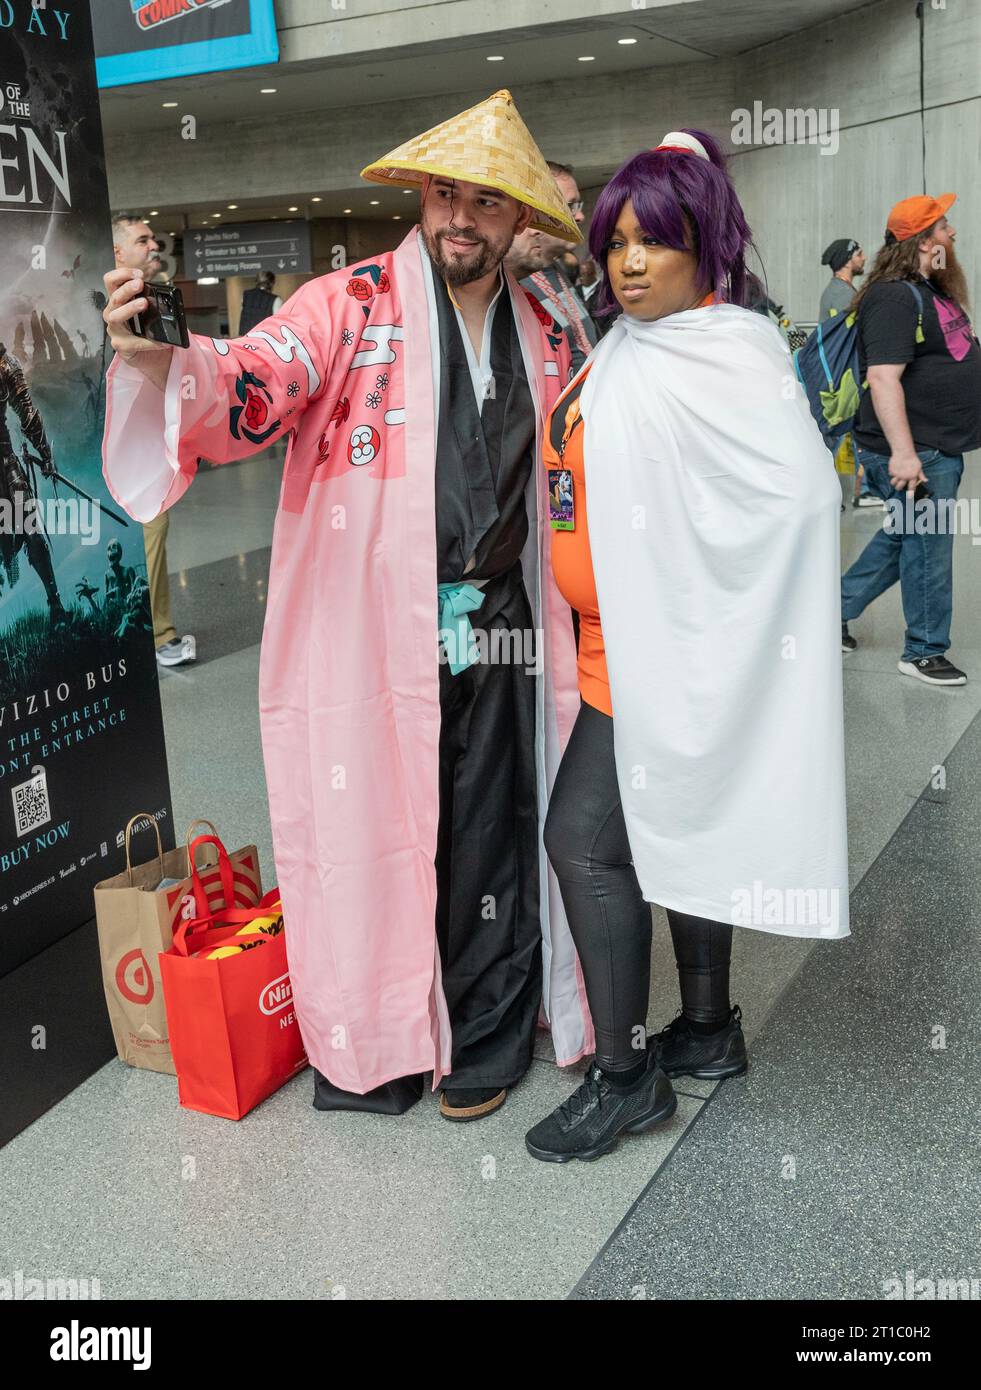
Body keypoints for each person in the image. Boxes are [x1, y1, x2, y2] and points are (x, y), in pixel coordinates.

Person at [101, 89, 589, 1123]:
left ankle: (489, 1033)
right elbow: (252, 382)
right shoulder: (348, 302)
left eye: (487, 203)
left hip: (509, 622)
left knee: (496, 829)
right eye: (445, 195)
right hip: (376, 630)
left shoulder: (550, 320)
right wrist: (163, 355)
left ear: (519, 220)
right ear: (419, 196)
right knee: (372, 831)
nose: (461, 218)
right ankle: (378, 1037)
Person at [523, 129, 849, 1164]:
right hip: (617, 651)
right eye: (614, 240)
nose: (628, 262)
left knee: (582, 842)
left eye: (654, 242)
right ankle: (706, 1030)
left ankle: (625, 1080)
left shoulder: (722, 355)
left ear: (702, 245)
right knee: (683, 837)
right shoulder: (637, 343)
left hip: (660, 662)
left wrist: (686, 596)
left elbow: (804, 498)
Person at [840, 194, 980, 685]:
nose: (952, 234)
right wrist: (903, 453)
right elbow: (882, 377)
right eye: (944, 227)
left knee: (903, 539)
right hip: (914, 451)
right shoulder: (895, 296)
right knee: (927, 547)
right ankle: (922, 651)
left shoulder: (929, 291)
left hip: (935, 446)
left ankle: (830, 613)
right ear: (924, 241)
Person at [111, 214, 196, 669]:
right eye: (141, 240)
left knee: (153, 528)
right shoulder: (97, 308)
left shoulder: (157, 299)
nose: (153, 244)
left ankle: (158, 632)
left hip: (148, 443)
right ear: (117, 253)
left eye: (153, 239)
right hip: (106, 443)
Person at [505, 161, 599, 374]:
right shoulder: (512, 281)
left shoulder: (556, 270)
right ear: (532, 213)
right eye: (570, 206)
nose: (580, 216)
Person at [0, 341, 66, 622]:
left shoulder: (5, 365)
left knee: (32, 532)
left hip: (4, 463)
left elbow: (27, 412)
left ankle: (55, 605)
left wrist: (46, 455)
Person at [818, 238, 877, 507]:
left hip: (848, 377)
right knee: (832, 437)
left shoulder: (843, 291)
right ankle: (829, 493)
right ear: (847, 259)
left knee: (851, 433)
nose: (864, 258)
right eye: (860, 254)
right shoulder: (840, 295)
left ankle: (862, 490)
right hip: (844, 380)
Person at [819, 238, 866, 321]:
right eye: (859, 255)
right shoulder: (842, 293)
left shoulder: (839, 289)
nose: (864, 258)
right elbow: (846, 331)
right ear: (846, 263)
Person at [238, 272, 283, 336]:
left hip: (246, 339)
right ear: (272, 283)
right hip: (264, 339)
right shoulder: (275, 299)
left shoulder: (245, 295)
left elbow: (244, 317)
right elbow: (277, 322)